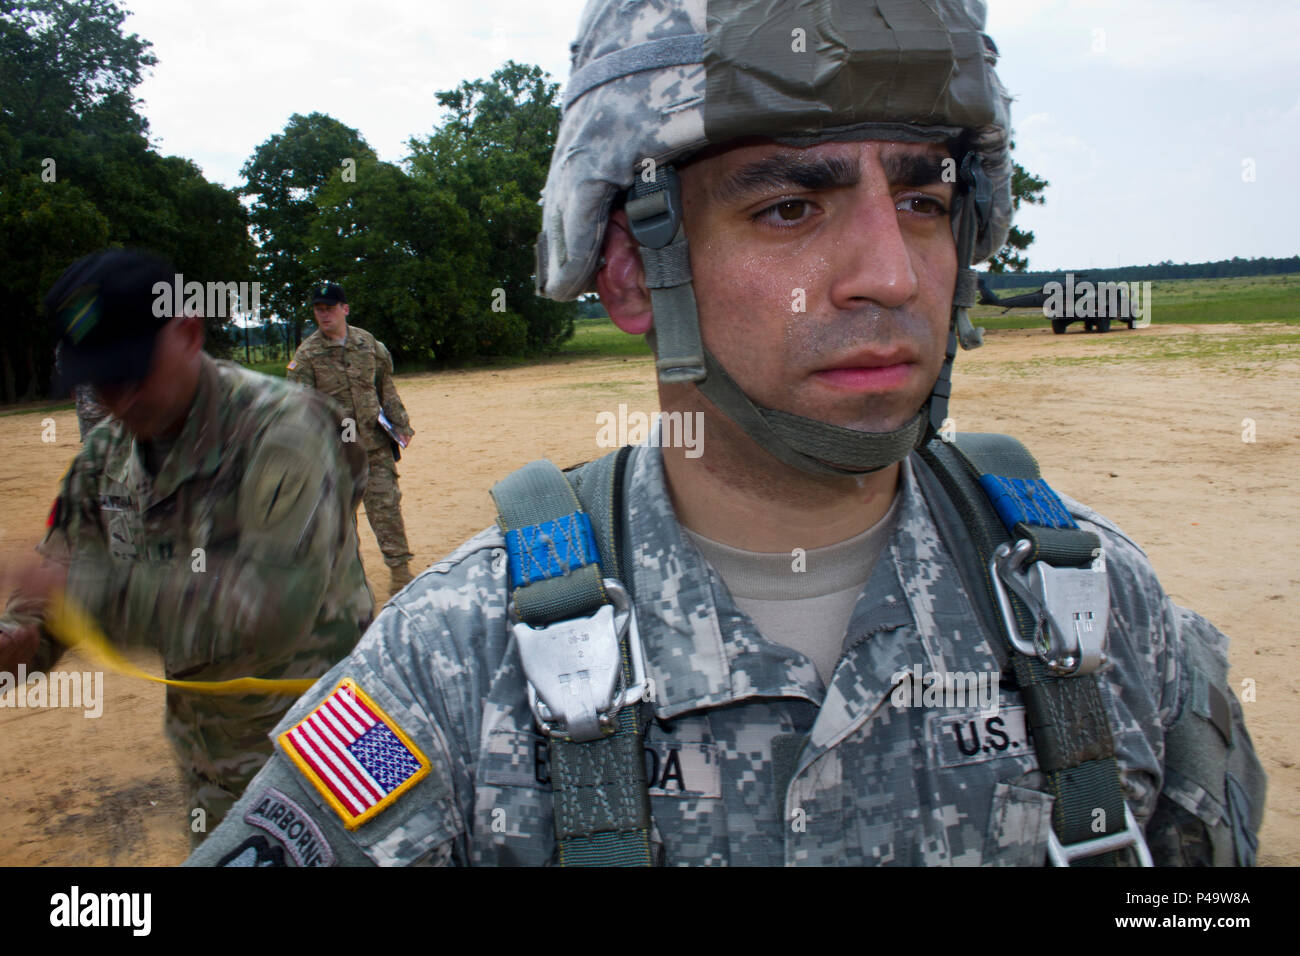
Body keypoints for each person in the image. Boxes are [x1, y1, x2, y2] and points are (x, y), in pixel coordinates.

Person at [187, 0, 1265, 867]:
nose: (890, 273)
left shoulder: (1100, 615)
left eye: (925, 200)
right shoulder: (454, 666)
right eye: (791, 206)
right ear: (629, 269)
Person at [0, 248, 374, 847]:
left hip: (332, 757)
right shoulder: (107, 457)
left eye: (131, 372)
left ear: (189, 331)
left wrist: (91, 595)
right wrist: (19, 639)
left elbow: (274, 606)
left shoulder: (285, 430)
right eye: (100, 380)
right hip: (214, 765)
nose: (117, 399)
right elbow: (57, 576)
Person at [287, 283, 415, 598]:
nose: (323, 314)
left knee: (387, 508)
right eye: (318, 309)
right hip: (334, 456)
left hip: (374, 446)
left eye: (330, 307)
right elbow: (299, 409)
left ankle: (401, 574)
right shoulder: (307, 356)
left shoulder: (368, 344)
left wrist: (400, 425)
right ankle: (352, 586)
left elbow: (384, 386)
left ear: (345, 308)